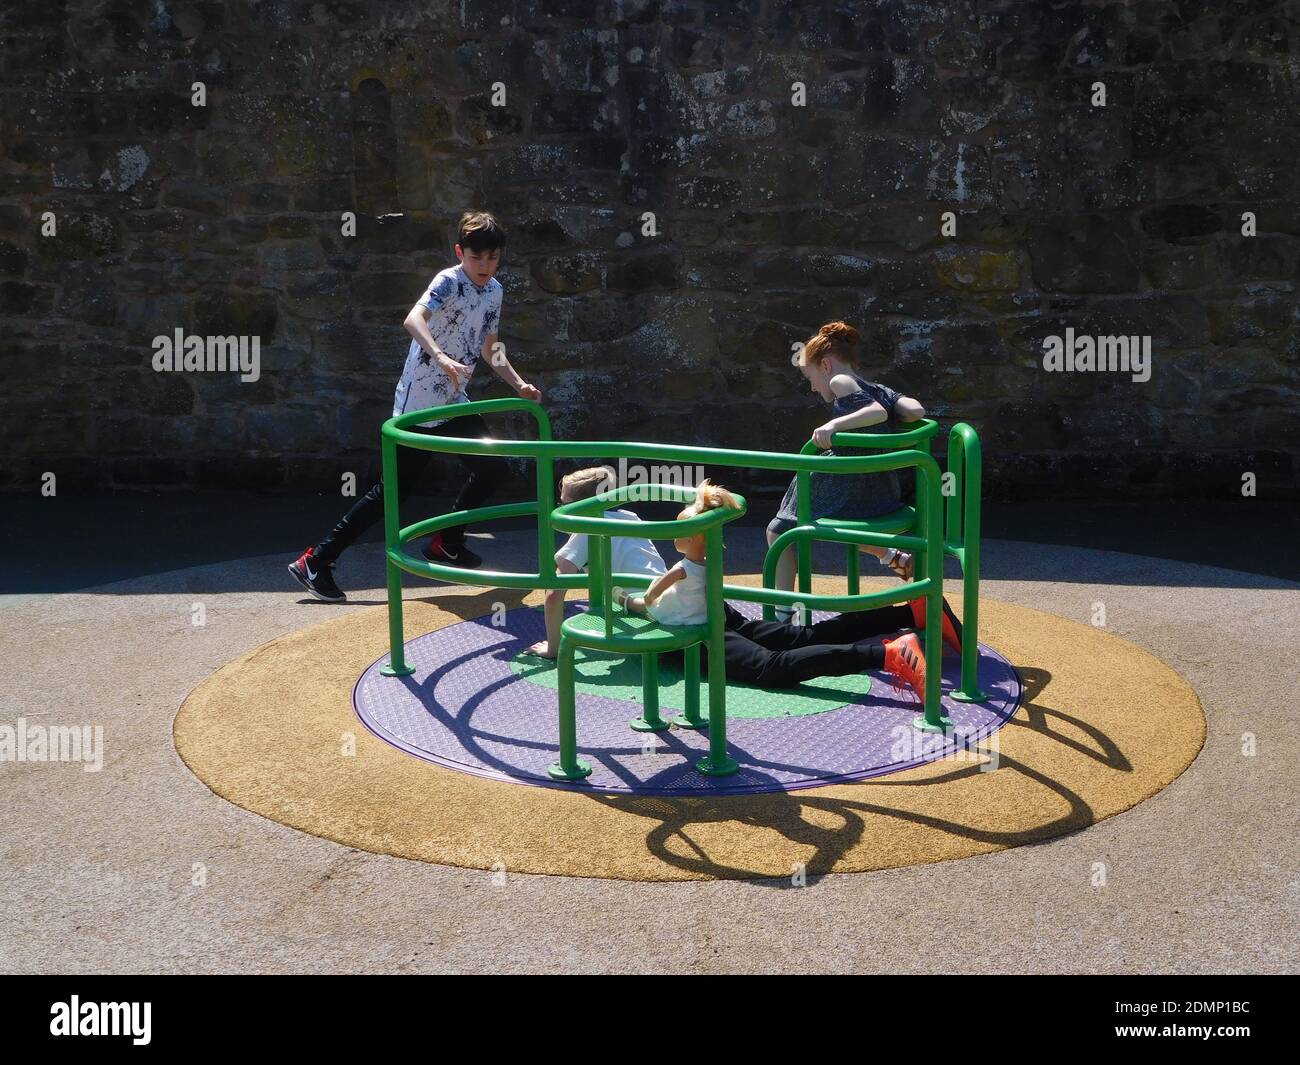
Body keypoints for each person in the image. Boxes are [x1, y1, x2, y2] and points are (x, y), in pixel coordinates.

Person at [289, 211, 540, 602]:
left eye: (493, 259)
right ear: (461, 253)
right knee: (392, 493)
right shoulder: (447, 281)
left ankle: (447, 542)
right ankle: (317, 560)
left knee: (492, 467)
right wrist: (440, 356)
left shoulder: (494, 292)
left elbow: (492, 349)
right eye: (477, 258)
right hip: (420, 405)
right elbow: (413, 320)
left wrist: (519, 383)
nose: (485, 267)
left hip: (454, 400)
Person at [768, 320, 926, 622]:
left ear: (825, 365)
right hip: (880, 489)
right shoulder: (877, 387)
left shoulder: (840, 382)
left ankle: (781, 615)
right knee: (834, 523)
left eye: (810, 377)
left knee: (777, 531)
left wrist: (833, 424)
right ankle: (893, 556)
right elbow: (916, 411)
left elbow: (875, 412)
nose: (812, 387)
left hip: (848, 486)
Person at [526, 466, 667, 659]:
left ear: (582, 508)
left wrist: (553, 647)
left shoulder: (587, 529)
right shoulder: (630, 517)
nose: (561, 511)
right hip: (667, 596)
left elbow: (553, 594)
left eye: (565, 505)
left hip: (648, 612)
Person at [616, 479, 741, 627]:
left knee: (648, 605)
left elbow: (652, 594)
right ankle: (628, 601)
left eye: (679, 533)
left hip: (679, 613)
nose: (675, 538)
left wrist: (649, 598)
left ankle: (627, 602)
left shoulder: (682, 569)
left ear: (690, 539)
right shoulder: (710, 563)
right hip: (699, 613)